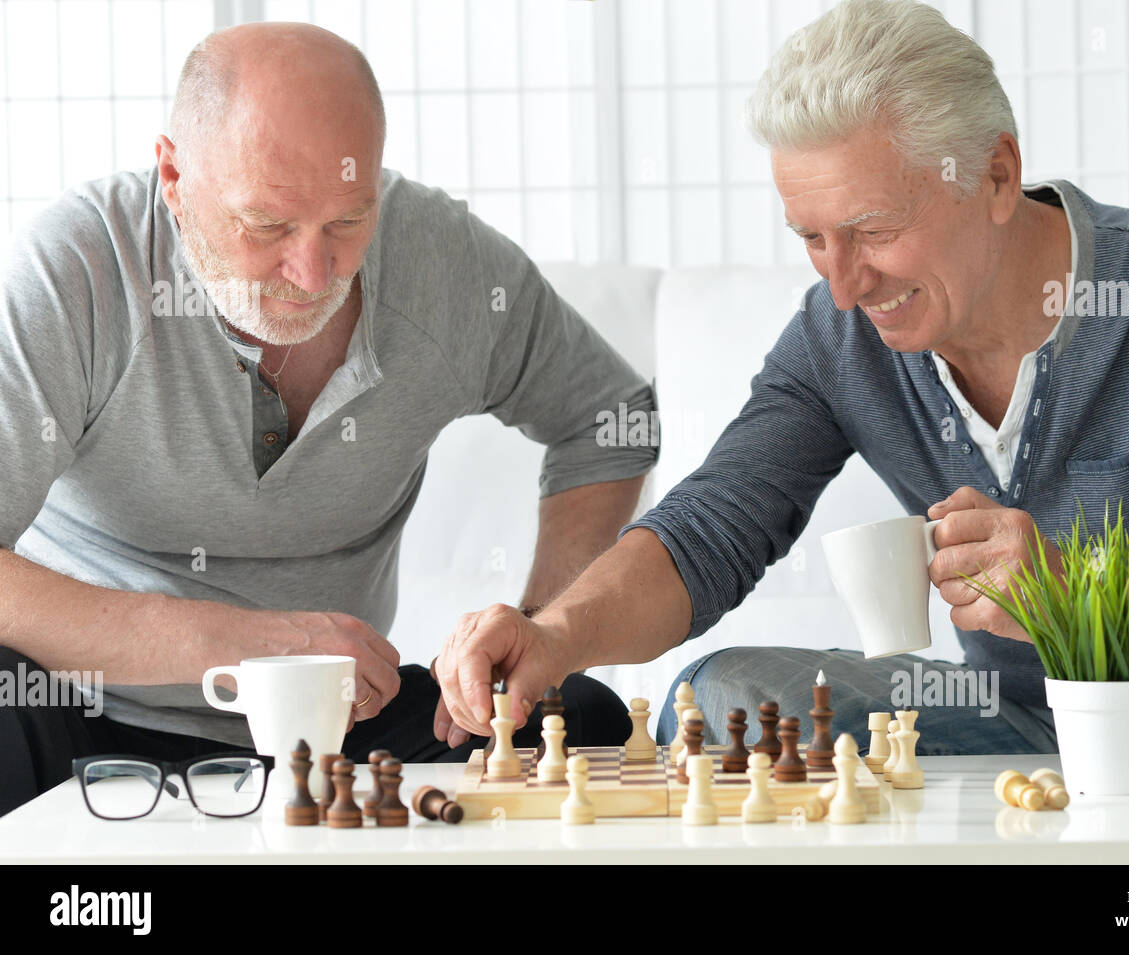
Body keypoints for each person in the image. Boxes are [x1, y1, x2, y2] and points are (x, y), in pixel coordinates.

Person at [434, 0, 1129, 806]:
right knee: (726, 692)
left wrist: (1080, 593)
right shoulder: (839, 338)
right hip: (1004, 722)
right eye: (813, 238)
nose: (845, 285)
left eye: (875, 231)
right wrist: (554, 636)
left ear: (996, 175)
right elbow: (706, 533)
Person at [0, 22, 651, 816]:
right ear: (174, 175)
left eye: (347, 221)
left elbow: (611, 418)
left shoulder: (441, 264)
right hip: (77, 713)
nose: (313, 275)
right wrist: (250, 644)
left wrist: (539, 635)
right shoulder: (78, 268)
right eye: (267, 226)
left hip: (335, 733)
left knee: (579, 718)